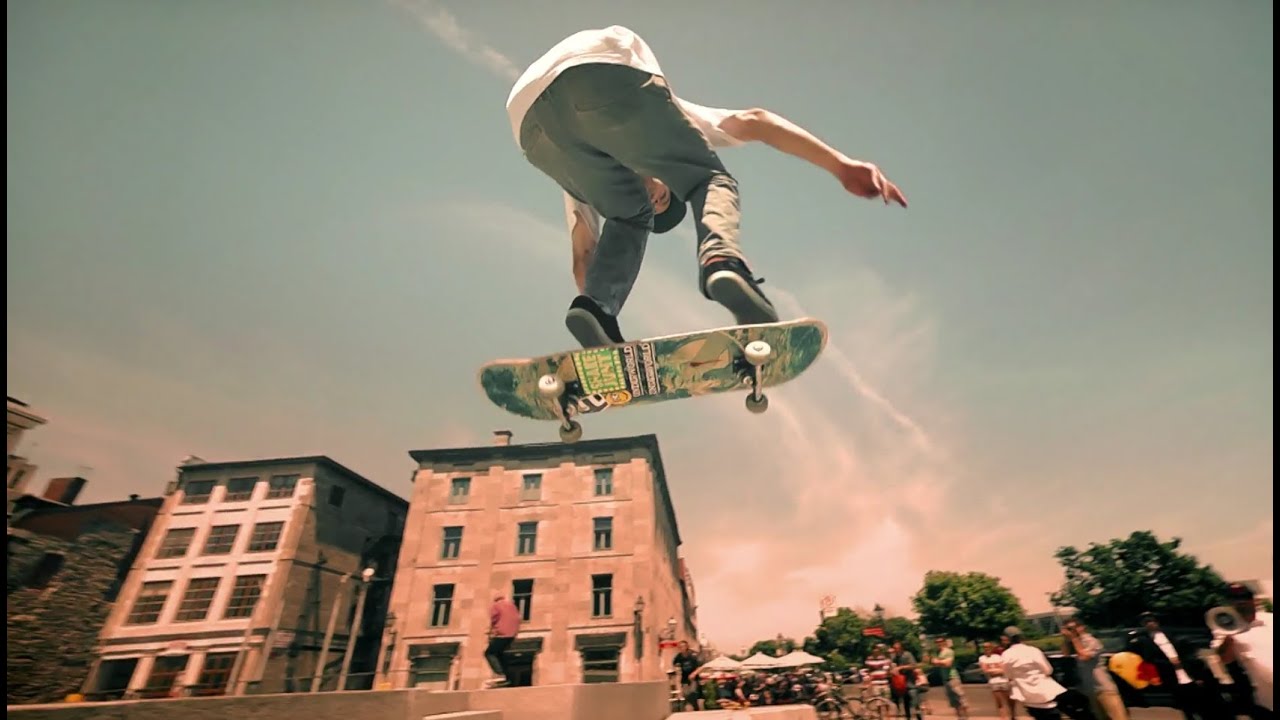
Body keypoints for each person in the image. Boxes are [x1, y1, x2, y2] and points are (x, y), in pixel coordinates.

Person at [505, 25, 908, 348]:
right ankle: (722, 261)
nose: (652, 197)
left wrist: (595, 329)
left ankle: (599, 309)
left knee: (626, 217)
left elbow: (584, 256)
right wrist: (840, 166)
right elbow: (755, 121)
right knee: (708, 178)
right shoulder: (674, 119)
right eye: (663, 196)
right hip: (604, 69)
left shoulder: (584, 181)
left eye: (657, 201)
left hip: (530, 124)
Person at [1127, 611, 1214, 719]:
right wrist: (1170, 663)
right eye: (1146, 622)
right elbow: (1149, 659)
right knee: (1183, 703)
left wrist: (1194, 672)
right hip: (1170, 674)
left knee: (1200, 700)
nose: (1150, 624)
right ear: (1143, 624)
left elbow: (1187, 653)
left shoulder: (1170, 635)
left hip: (1187, 672)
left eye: (1152, 621)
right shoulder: (1144, 640)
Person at [1001, 626, 1097, 720]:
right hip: (1048, 691)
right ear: (1021, 637)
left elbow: (1008, 675)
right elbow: (1048, 670)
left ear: (1007, 639)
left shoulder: (1006, 654)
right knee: (1080, 703)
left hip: (1028, 696)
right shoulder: (1032, 650)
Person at [1213, 583, 1273, 719]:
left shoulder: (1270, 619)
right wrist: (1229, 632)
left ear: (1253, 600)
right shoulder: (1223, 630)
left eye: (1244, 597)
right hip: (1268, 701)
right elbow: (1224, 658)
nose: (1240, 602)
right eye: (1234, 598)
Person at [1061, 618, 1129, 720]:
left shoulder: (1091, 641)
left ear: (1082, 627)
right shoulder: (1073, 643)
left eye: (1073, 628)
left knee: (1118, 717)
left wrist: (1074, 639)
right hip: (1089, 689)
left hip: (1103, 687)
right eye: (1068, 629)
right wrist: (1066, 639)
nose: (1072, 631)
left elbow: (1084, 656)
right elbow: (1065, 654)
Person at [485, 593, 521, 687]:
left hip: (502, 634)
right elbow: (518, 618)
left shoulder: (496, 605)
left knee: (489, 653)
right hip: (512, 634)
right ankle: (507, 678)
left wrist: (492, 632)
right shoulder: (512, 605)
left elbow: (494, 618)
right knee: (500, 654)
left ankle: (500, 675)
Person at [931, 636, 971, 719]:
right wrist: (939, 662)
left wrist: (937, 662)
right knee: (953, 701)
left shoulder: (949, 651)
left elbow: (948, 664)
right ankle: (960, 717)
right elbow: (933, 662)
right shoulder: (938, 653)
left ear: (944, 642)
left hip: (953, 678)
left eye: (940, 641)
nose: (939, 643)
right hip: (945, 679)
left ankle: (966, 717)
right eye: (937, 642)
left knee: (960, 698)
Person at [980, 640, 1017, 720]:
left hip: (1004, 680)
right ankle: (1003, 717)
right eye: (985, 647)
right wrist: (997, 671)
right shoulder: (982, 658)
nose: (987, 649)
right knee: (999, 701)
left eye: (988, 647)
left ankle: (1013, 716)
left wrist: (995, 671)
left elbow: (1003, 669)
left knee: (1009, 699)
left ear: (991, 648)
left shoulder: (997, 657)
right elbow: (985, 670)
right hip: (994, 682)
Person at [891, 639, 926, 720]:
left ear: (901, 648)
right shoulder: (895, 658)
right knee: (905, 701)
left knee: (914, 700)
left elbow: (913, 665)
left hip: (910, 681)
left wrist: (901, 667)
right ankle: (908, 717)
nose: (896, 650)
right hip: (901, 683)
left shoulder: (907, 655)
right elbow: (893, 666)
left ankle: (919, 717)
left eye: (897, 648)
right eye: (894, 648)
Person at [671, 640, 704, 711]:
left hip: (694, 678)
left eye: (683, 646)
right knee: (686, 694)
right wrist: (677, 669)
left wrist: (694, 673)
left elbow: (701, 667)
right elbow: (675, 664)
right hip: (684, 678)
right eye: (680, 647)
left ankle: (694, 707)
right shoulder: (678, 656)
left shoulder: (693, 655)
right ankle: (694, 707)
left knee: (692, 692)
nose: (682, 648)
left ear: (687, 646)